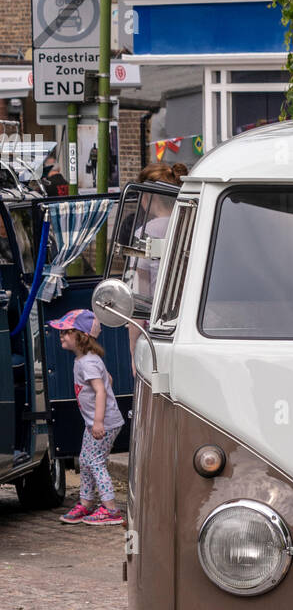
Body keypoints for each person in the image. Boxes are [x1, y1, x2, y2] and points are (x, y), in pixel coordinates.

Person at [49, 308, 125, 526]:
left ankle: (110, 510)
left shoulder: (88, 363)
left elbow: (101, 389)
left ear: (81, 336)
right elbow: (108, 380)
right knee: (85, 460)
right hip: (95, 422)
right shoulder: (87, 359)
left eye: (66, 332)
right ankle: (86, 502)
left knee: (95, 462)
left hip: (102, 424)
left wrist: (99, 421)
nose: (61, 335)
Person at [128, 161, 188, 370]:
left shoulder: (146, 233)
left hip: (160, 326)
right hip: (190, 324)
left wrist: (133, 344)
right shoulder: (192, 224)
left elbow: (141, 295)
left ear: (146, 195)